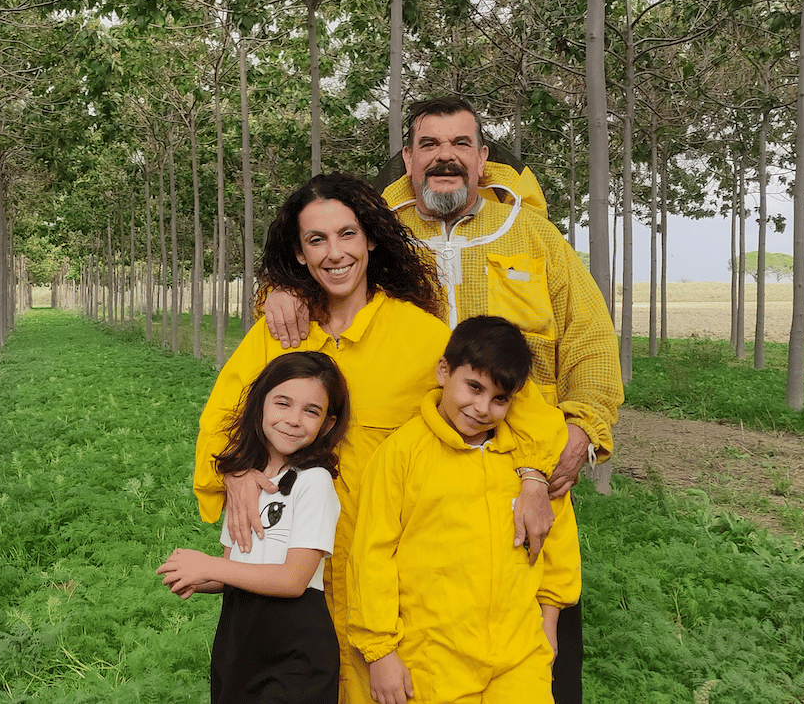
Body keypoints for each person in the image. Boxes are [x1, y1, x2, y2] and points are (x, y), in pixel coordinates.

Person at [265, 97, 623, 702]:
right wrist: (280, 289)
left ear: (483, 158)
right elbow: (322, 265)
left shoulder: (534, 236)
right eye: (429, 145)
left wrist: (579, 434)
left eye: (460, 144)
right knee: (410, 640)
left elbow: (589, 339)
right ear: (408, 160)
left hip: (522, 468)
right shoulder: (382, 239)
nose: (445, 157)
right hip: (415, 476)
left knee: (539, 650)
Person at [195, 172, 568, 704]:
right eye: (316, 240)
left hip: (387, 581)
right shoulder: (279, 333)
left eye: (347, 234)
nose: (334, 253)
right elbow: (222, 420)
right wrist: (234, 471)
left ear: (370, 239)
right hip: (292, 577)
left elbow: (522, 408)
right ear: (299, 254)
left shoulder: (421, 337)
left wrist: (532, 476)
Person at [348, 316, 580, 704]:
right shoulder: (402, 454)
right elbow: (371, 556)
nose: (482, 408)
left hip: (519, 657)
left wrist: (549, 623)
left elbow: (558, 544)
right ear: (444, 371)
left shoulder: (529, 464)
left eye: (500, 399)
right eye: (474, 387)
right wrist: (380, 651)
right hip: (431, 660)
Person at [160, 351, 350, 703]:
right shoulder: (245, 484)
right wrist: (196, 578)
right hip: (239, 642)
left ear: (327, 424)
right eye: (283, 403)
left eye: (311, 411)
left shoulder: (314, 482)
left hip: (294, 651)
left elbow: (293, 579)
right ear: (260, 403)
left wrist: (209, 566)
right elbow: (235, 568)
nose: (293, 420)